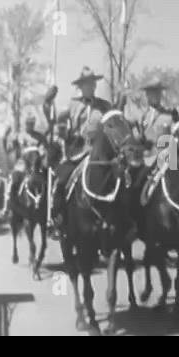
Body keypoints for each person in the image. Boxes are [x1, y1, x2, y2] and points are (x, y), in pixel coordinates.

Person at [48, 66, 113, 237]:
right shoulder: (72, 104)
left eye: (92, 84)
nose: (89, 87)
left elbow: (114, 122)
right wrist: (48, 105)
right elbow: (56, 120)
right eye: (85, 84)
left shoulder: (104, 106)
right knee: (60, 180)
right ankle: (58, 219)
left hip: (99, 153)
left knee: (119, 179)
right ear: (80, 87)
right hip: (78, 152)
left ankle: (120, 222)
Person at [133, 77, 179, 186]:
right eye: (151, 92)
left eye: (157, 92)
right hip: (146, 160)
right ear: (146, 95)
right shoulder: (142, 116)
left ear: (160, 94)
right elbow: (137, 139)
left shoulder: (170, 114)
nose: (154, 95)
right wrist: (139, 139)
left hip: (166, 161)